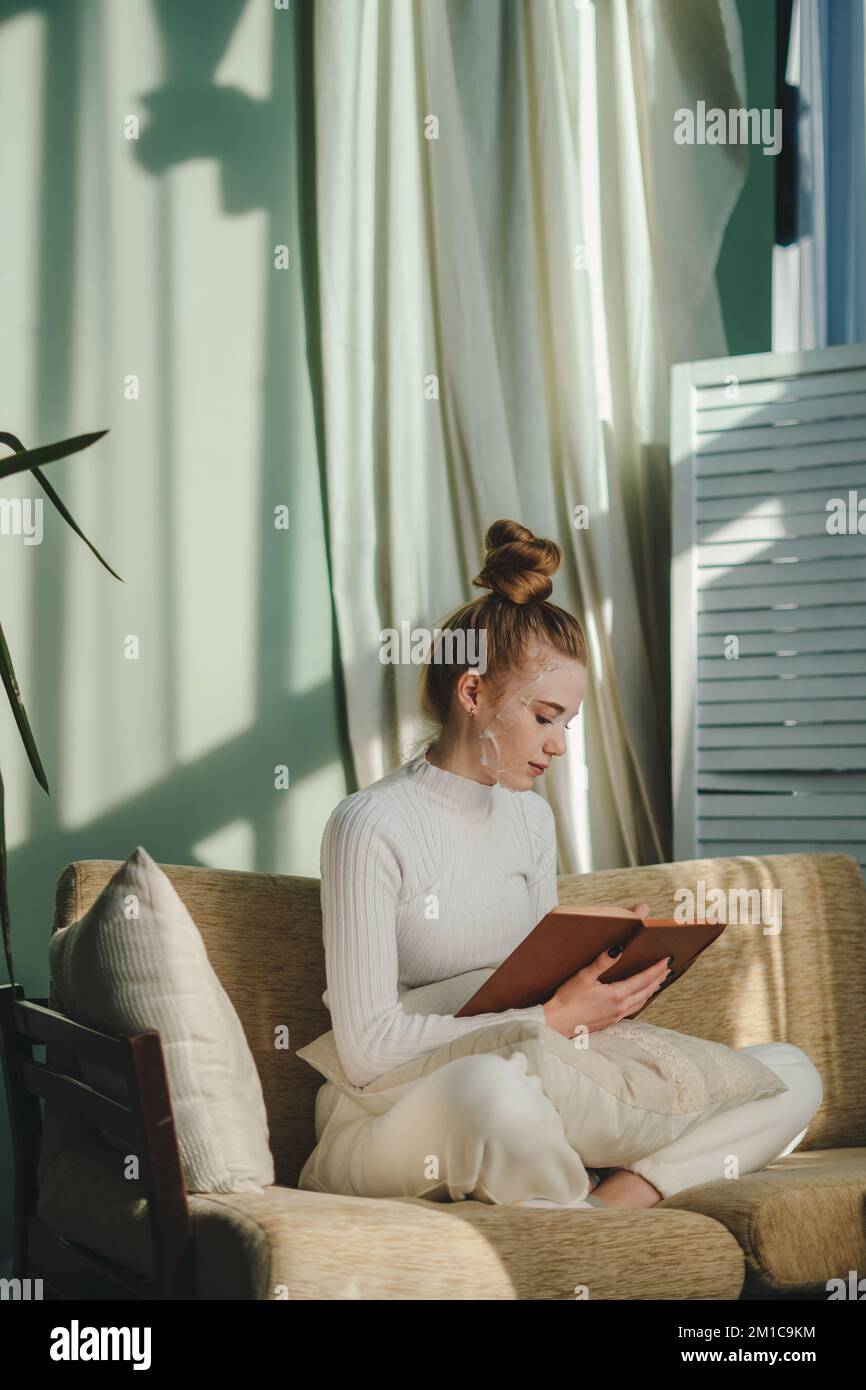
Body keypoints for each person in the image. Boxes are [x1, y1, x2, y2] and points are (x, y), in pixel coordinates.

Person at [297, 519, 823, 1210]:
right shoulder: (369, 824)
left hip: (539, 1069)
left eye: (567, 723)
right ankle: (575, 1230)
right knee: (491, 1089)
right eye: (545, 716)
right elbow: (366, 1049)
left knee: (792, 1073)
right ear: (473, 693)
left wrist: (602, 963)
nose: (559, 745)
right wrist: (546, 1021)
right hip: (397, 1112)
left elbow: (531, 985)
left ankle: (611, 1206)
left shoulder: (529, 817)